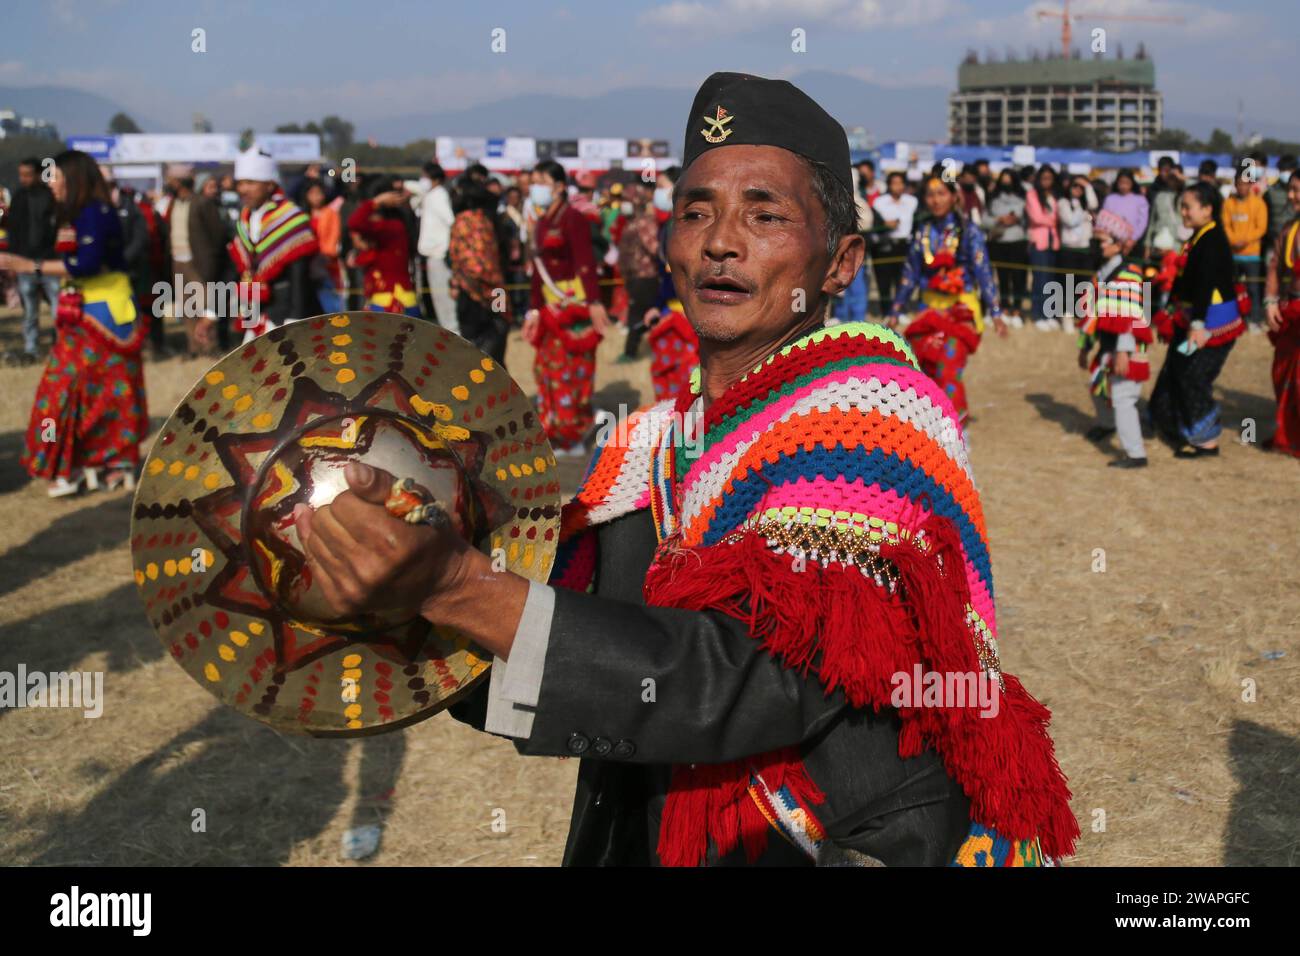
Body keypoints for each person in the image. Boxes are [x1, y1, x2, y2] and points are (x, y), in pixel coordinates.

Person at [292, 72, 1077, 868]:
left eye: (764, 214)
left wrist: (462, 590)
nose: (719, 241)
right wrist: (391, 588)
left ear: (840, 264)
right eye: (695, 211)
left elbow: (769, 675)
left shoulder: (877, 416)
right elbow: (591, 648)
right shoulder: (648, 444)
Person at [1, 150, 147, 496]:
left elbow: (87, 265)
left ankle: (102, 461)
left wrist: (28, 266)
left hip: (103, 314)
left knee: (92, 391)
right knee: (86, 391)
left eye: (55, 176)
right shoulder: (76, 214)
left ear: (74, 179)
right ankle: (85, 461)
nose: (49, 182)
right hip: (81, 309)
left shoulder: (96, 213)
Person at [888, 174, 1006, 422]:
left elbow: (983, 272)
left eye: (942, 193)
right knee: (921, 369)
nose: (935, 200)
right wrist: (895, 310)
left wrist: (995, 312)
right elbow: (910, 274)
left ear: (954, 197)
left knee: (948, 368)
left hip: (960, 310)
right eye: (930, 195)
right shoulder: (923, 233)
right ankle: (930, 428)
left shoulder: (969, 232)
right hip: (929, 310)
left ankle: (955, 426)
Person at [520, 159, 612, 456]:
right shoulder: (542, 222)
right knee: (548, 370)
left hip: (574, 306)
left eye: (541, 181)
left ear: (559, 187)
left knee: (573, 370)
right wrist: (533, 310)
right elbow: (537, 270)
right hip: (549, 308)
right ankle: (554, 430)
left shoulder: (572, 218)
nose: (535, 187)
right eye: (533, 181)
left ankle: (572, 433)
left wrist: (595, 301)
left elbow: (586, 262)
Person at [1148, 182, 1244, 458]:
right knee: (1177, 365)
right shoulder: (1200, 236)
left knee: (1194, 376)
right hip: (1195, 320)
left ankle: (1206, 439)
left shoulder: (1212, 241)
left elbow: (1205, 285)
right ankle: (1171, 424)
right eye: (1183, 207)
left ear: (1207, 209)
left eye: (1188, 207)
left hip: (1211, 326)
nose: (1184, 212)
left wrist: (1198, 325)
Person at [1076, 210, 1152, 468]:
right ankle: (1107, 425)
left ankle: (1136, 453)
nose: (1096, 246)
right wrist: (1084, 347)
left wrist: (1123, 352)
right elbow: (1093, 314)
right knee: (1097, 385)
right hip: (1107, 343)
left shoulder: (1128, 273)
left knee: (1123, 398)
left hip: (1125, 346)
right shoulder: (1103, 273)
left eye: (1101, 241)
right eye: (1094, 240)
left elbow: (1130, 315)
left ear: (1119, 244)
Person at [227, 145, 321, 342]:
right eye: (241, 183)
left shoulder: (290, 218)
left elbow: (299, 275)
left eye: (251, 183)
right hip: (256, 311)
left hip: (285, 312)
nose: (243, 189)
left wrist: (294, 320)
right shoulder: (243, 219)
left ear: (269, 185)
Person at [5, 157, 60, 365]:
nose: (23, 179)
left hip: (49, 262)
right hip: (24, 262)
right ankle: (31, 348)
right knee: (29, 310)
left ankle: (60, 346)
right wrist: (12, 260)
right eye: (21, 175)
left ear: (38, 174)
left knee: (58, 308)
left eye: (27, 175)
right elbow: (13, 231)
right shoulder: (18, 198)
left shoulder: (50, 197)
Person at [448, 180, 509, 364]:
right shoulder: (489, 220)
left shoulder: (463, 221)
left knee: (475, 349)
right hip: (496, 291)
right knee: (495, 351)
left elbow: (459, 258)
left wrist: (458, 280)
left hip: (471, 292)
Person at [1262, 174, 1300, 457]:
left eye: (1297, 191)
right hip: (1290, 311)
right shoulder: (1288, 230)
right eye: (1290, 190)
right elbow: (1275, 268)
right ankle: (1287, 434)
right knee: (1282, 373)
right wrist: (1271, 301)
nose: (1291, 196)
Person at [348, 176, 420, 318]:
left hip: (390, 302)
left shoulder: (390, 227)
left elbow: (354, 223)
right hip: (392, 298)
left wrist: (376, 202)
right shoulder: (396, 226)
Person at [186, 171, 233, 356]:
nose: (215, 190)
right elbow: (218, 235)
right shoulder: (205, 204)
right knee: (216, 303)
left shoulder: (205, 204)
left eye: (216, 186)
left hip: (211, 264)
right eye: (210, 186)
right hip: (211, 264)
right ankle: (218, 344)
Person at [616, 179, 662, 361]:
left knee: (643, 315)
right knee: (640, 314)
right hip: (635, 278)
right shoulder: (633, 222)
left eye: (627, 200)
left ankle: (635, 351)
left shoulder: (644, 223)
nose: (623, 204)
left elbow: (655, 248)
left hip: (646, 277)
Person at [1222, 166, 1268, 330]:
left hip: (1252, 255)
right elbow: (1225, 225)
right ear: (1235, 184)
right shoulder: (1228, 203)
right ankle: (1233, 320)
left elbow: (1261, 227)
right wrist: (1234, 241)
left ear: (1250, 185)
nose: (1242, 187)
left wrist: (1245, 240)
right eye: (1239, 184)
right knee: (1232, 289)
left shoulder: (1258, 203)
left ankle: (1254, 319)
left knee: (1253, 289)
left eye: (1245, 184)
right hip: (1233, 255)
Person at [869, 170, 918, 319]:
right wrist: (885, 225)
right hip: (884, 245)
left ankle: (899, 311)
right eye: (894, 183)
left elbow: (916, 221)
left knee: (902, 280)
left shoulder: (912, 201)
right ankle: (886, 312)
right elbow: (875, 221)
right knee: (884, 281)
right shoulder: (879, 202)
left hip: (904, 245)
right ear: (889, 185)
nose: (898, 186)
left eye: (900, 183)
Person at [416, 162, 457, 333]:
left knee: (443, 298)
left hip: (440, 254)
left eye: (424, 176)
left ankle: (453, 332)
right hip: (434, 254)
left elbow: (450, 220)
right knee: (438, 298)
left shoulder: (439, 195)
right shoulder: (431, 195)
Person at [984, 168, 1028, 328]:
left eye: (1010, 180)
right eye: (1004, 180)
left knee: (1018, 277)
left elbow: (1029, 219)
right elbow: (985, 219)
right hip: (999, 241)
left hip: (1018, 241)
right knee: (1002, 277)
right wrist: (999, 219)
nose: (1006, 183)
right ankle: (1004, 306)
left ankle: (1017, 308)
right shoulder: (993, 199)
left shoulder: (1023, 198)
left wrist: (1016, 219)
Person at [1025, 164, 1061, 329]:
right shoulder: (1032, 195)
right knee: (1039, 278)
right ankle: (1038, 314)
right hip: (1038, 242)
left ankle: (1050, 313)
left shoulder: (1055, 195)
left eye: (1050, 179)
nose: (1047, 182)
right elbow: (1037, 217)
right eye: (1044, 178)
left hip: (1053, 242)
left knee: (1051, 279)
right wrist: (1054, 221)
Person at [304, 180, 343, 313]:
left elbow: (334, 235)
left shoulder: (330, 213)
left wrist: (326, 254)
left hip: (325, 262)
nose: (316, 197)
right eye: (312, 193)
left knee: (329, 298)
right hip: (307, 263)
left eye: (319, 193)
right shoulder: (303, 214)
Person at [1101, 168, 1149, 255]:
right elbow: (1104, 220)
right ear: (1117, 183)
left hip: (1133, 244)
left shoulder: (1140, 200)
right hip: (1112, 243)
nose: (1124, 186)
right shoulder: (1110, 199)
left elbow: (1142, 222)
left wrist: (1133, 239)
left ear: (1132, 183)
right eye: (1121, 182)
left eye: (1127, 183)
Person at [1264, 154, 1297, 254]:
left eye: (1289, 170)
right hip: (1273, 243)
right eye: (1283, 170)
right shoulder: (1270, 191)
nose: (1286, 173)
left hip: (1295, 242)